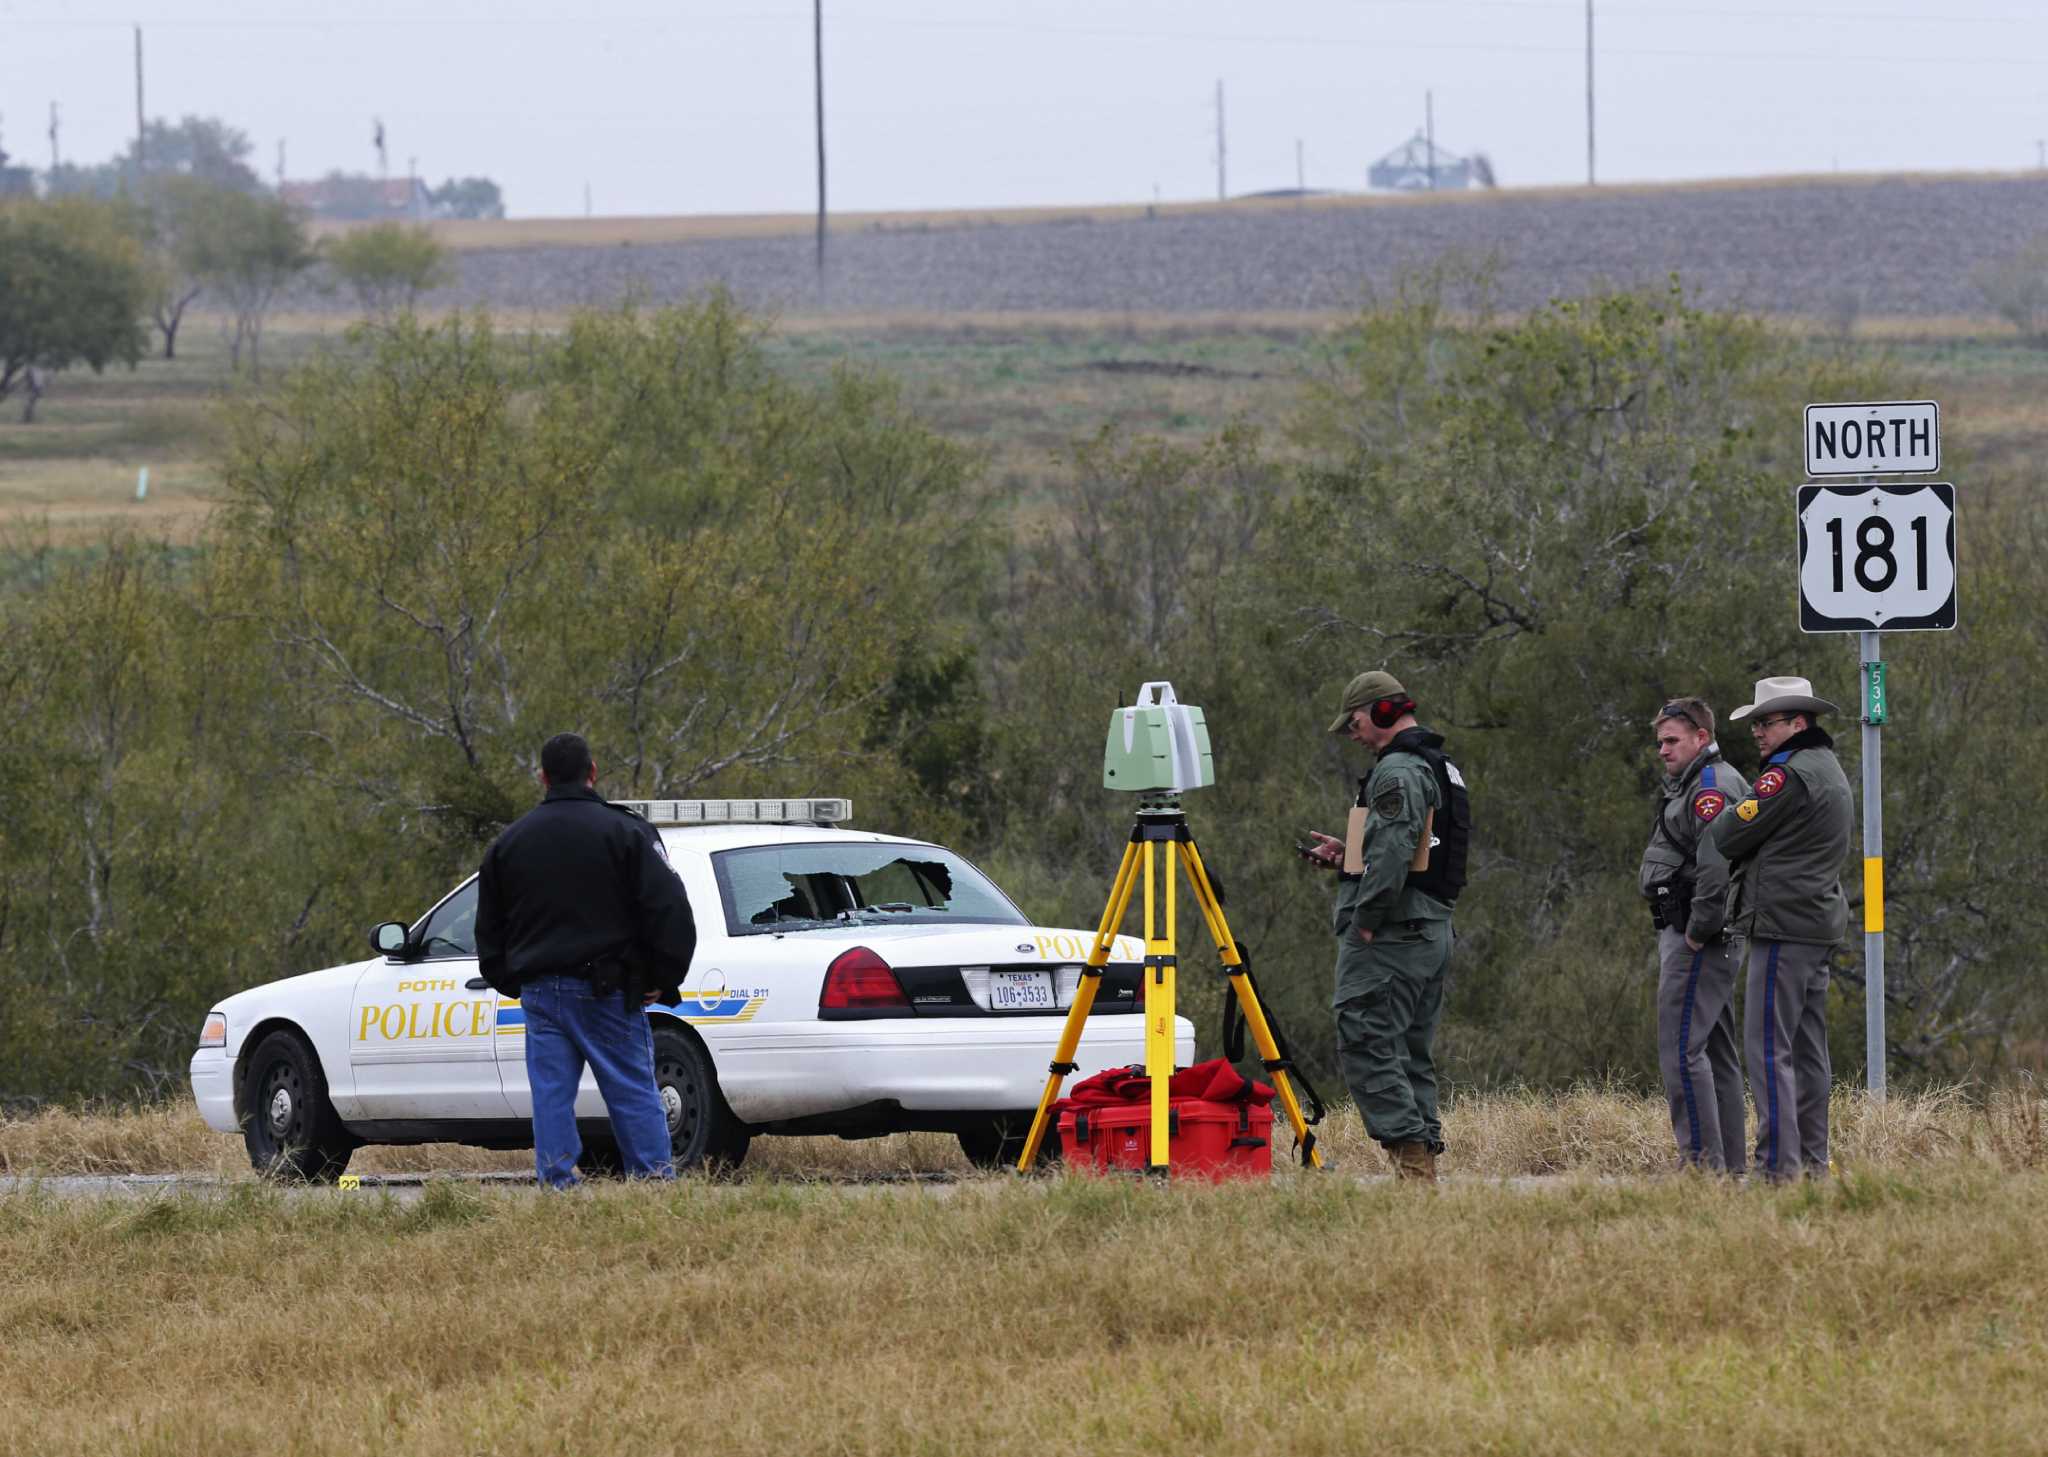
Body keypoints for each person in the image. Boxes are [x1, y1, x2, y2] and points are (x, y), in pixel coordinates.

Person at [475, 732, 698, 1187]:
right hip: (608, 990)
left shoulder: (509, 843)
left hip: (539, 990)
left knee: (551, 1094)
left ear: (542, 777)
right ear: (593, 772)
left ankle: (556, 1184)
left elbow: (488, 927)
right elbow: (670, 909)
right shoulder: (626, 832)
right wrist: (663, 973)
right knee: (632, 1088)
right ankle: (654, 1182)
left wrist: (510, 980)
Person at [1302, 670, 1470, 1183]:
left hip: (1394, 933)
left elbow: (1396, 851)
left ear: (1381, 712)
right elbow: (1416, 850)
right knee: (1409, 1052)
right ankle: (1421, 1177)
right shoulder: (1437, 765)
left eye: (1354, 722)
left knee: (1367, 1040)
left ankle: (1413, 1173)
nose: (1351, 733)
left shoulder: (1397, 771)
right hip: (1429, 929)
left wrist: (1367, 920)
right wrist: (1349, 857)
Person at [1714, 676, 1854, 1182]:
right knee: (1809, 1051)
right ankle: (1814, 1165)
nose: (1757, 732)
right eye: (1755, 723)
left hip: (1781, 924)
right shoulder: (1830, 769)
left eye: (1765, 722)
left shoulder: (1787, 776)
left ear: (1797, 723)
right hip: (1816, 923)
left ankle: (1776, 1170)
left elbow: (1728, 833)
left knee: (1768, 1048)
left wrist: (1731, 814)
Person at [1639, 696, 1750, 1173]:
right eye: (1660, 742)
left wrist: (1699, 931)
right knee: (1716, 1050)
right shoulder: (1698, 783)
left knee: (1682, 1050)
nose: (1663, 750)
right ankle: (1728, 1167)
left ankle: (1703, 1168)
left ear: (1701, 737)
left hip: (1697, 936)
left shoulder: (1711, 788)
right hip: (1701, 933)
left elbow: (1715, 866)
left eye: (1672, 740)